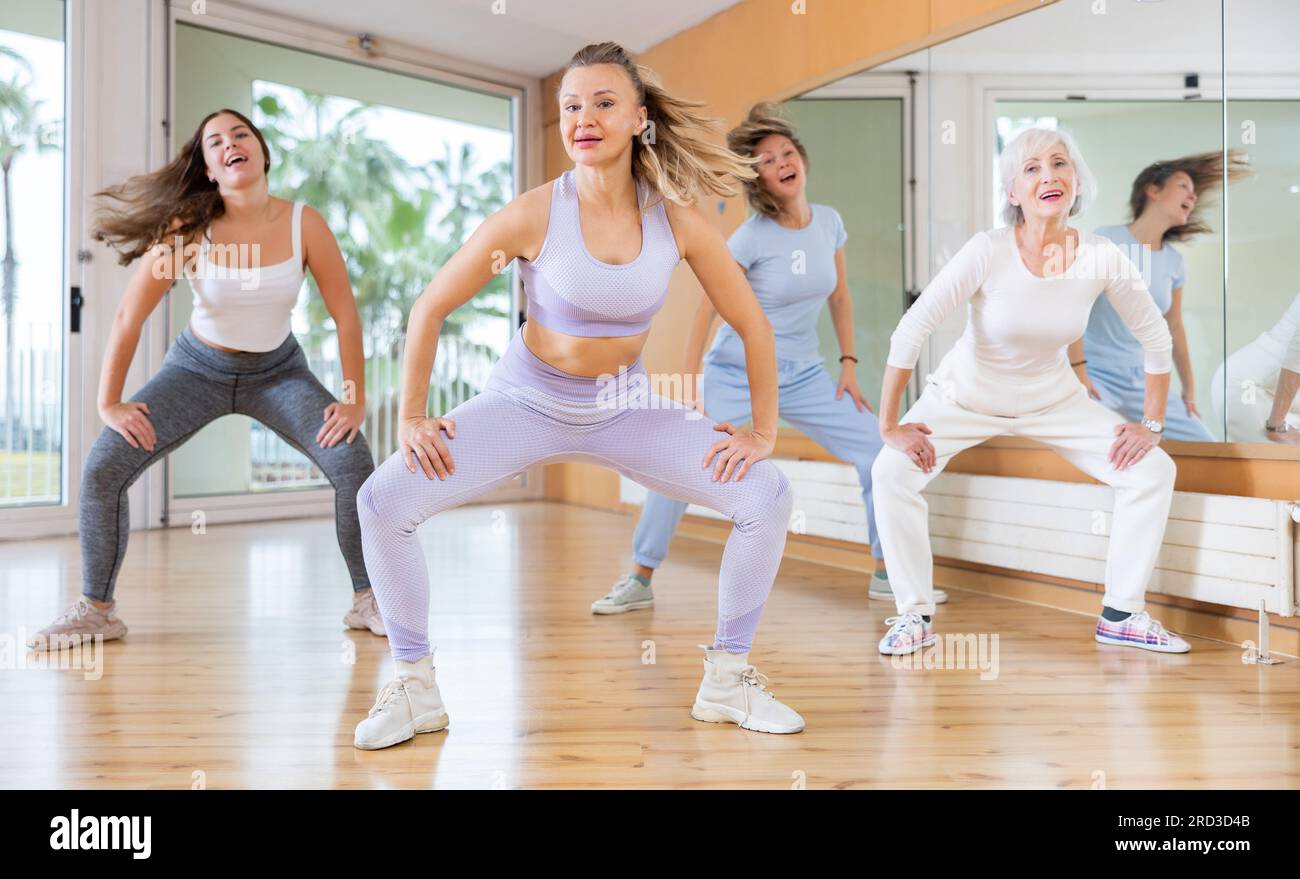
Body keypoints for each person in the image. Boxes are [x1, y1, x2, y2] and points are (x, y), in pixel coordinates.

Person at [353, 43, 805, 751]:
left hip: (627, 408)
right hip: (525, 402)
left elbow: (750, 322)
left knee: (767, 494)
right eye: (570, 105)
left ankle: (727, 677)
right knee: (381, 501)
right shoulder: (533, 215)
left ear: (638, 119)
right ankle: (414, 684)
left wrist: (762, 431)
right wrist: (412, 415)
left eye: (602, 103)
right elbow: (430, 306)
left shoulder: (677, 221)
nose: (582, 118)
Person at [28, 109, 382, 649]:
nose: (230, 144)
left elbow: (346, 315)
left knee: (352, 458)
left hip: (279, 372)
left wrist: (352, 401)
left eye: (241, 135)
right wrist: (110, 404)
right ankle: (97, 610)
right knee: (103, 467)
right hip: (196, 370)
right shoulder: (189, 229)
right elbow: (129, 316)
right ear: (210, 169)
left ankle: (367, 599)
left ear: (262, 152)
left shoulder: (303, 222)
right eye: (215, 142)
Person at [593, 103, 946, 615]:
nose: (782, 162)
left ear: (801, 159)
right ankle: (640, 576)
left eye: (786, 152)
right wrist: (691, 384)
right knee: (682, 463)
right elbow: (705, 312)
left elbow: (840, 297)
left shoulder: (829, 223)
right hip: (734, 375)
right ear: (757, 178)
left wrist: (849, 362)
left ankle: (885, 572)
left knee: (880, 452)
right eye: (767, 159)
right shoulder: (751, 237)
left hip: (804, 375)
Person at [871, 127, 1190, 657]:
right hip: (963, 398)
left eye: (1059, 164)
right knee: (890, 471)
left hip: (1054, 401)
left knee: (1153, 471)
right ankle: (913, 615)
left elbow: (1156, 335)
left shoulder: (1101, 255)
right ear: (1014, 192)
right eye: (1032, 168)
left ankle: (1122, 614)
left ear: (1075, 179)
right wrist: (889, 424)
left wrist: (1151, 425)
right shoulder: (986, 251)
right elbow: (912, 329)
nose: (1049, 175)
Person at [1072, 151, 1246, 441]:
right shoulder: (1107, 239)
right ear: (1152, 190)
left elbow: (1174, 326)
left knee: (1205, 444)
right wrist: (1079, 372)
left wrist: (1189, 388)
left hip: (1143, 381)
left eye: (1194, 193)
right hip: (1097, 376)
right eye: (1183, 186)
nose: (1192, 197)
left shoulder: (1174, 262)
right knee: (1101, 443)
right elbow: (1074, 306)